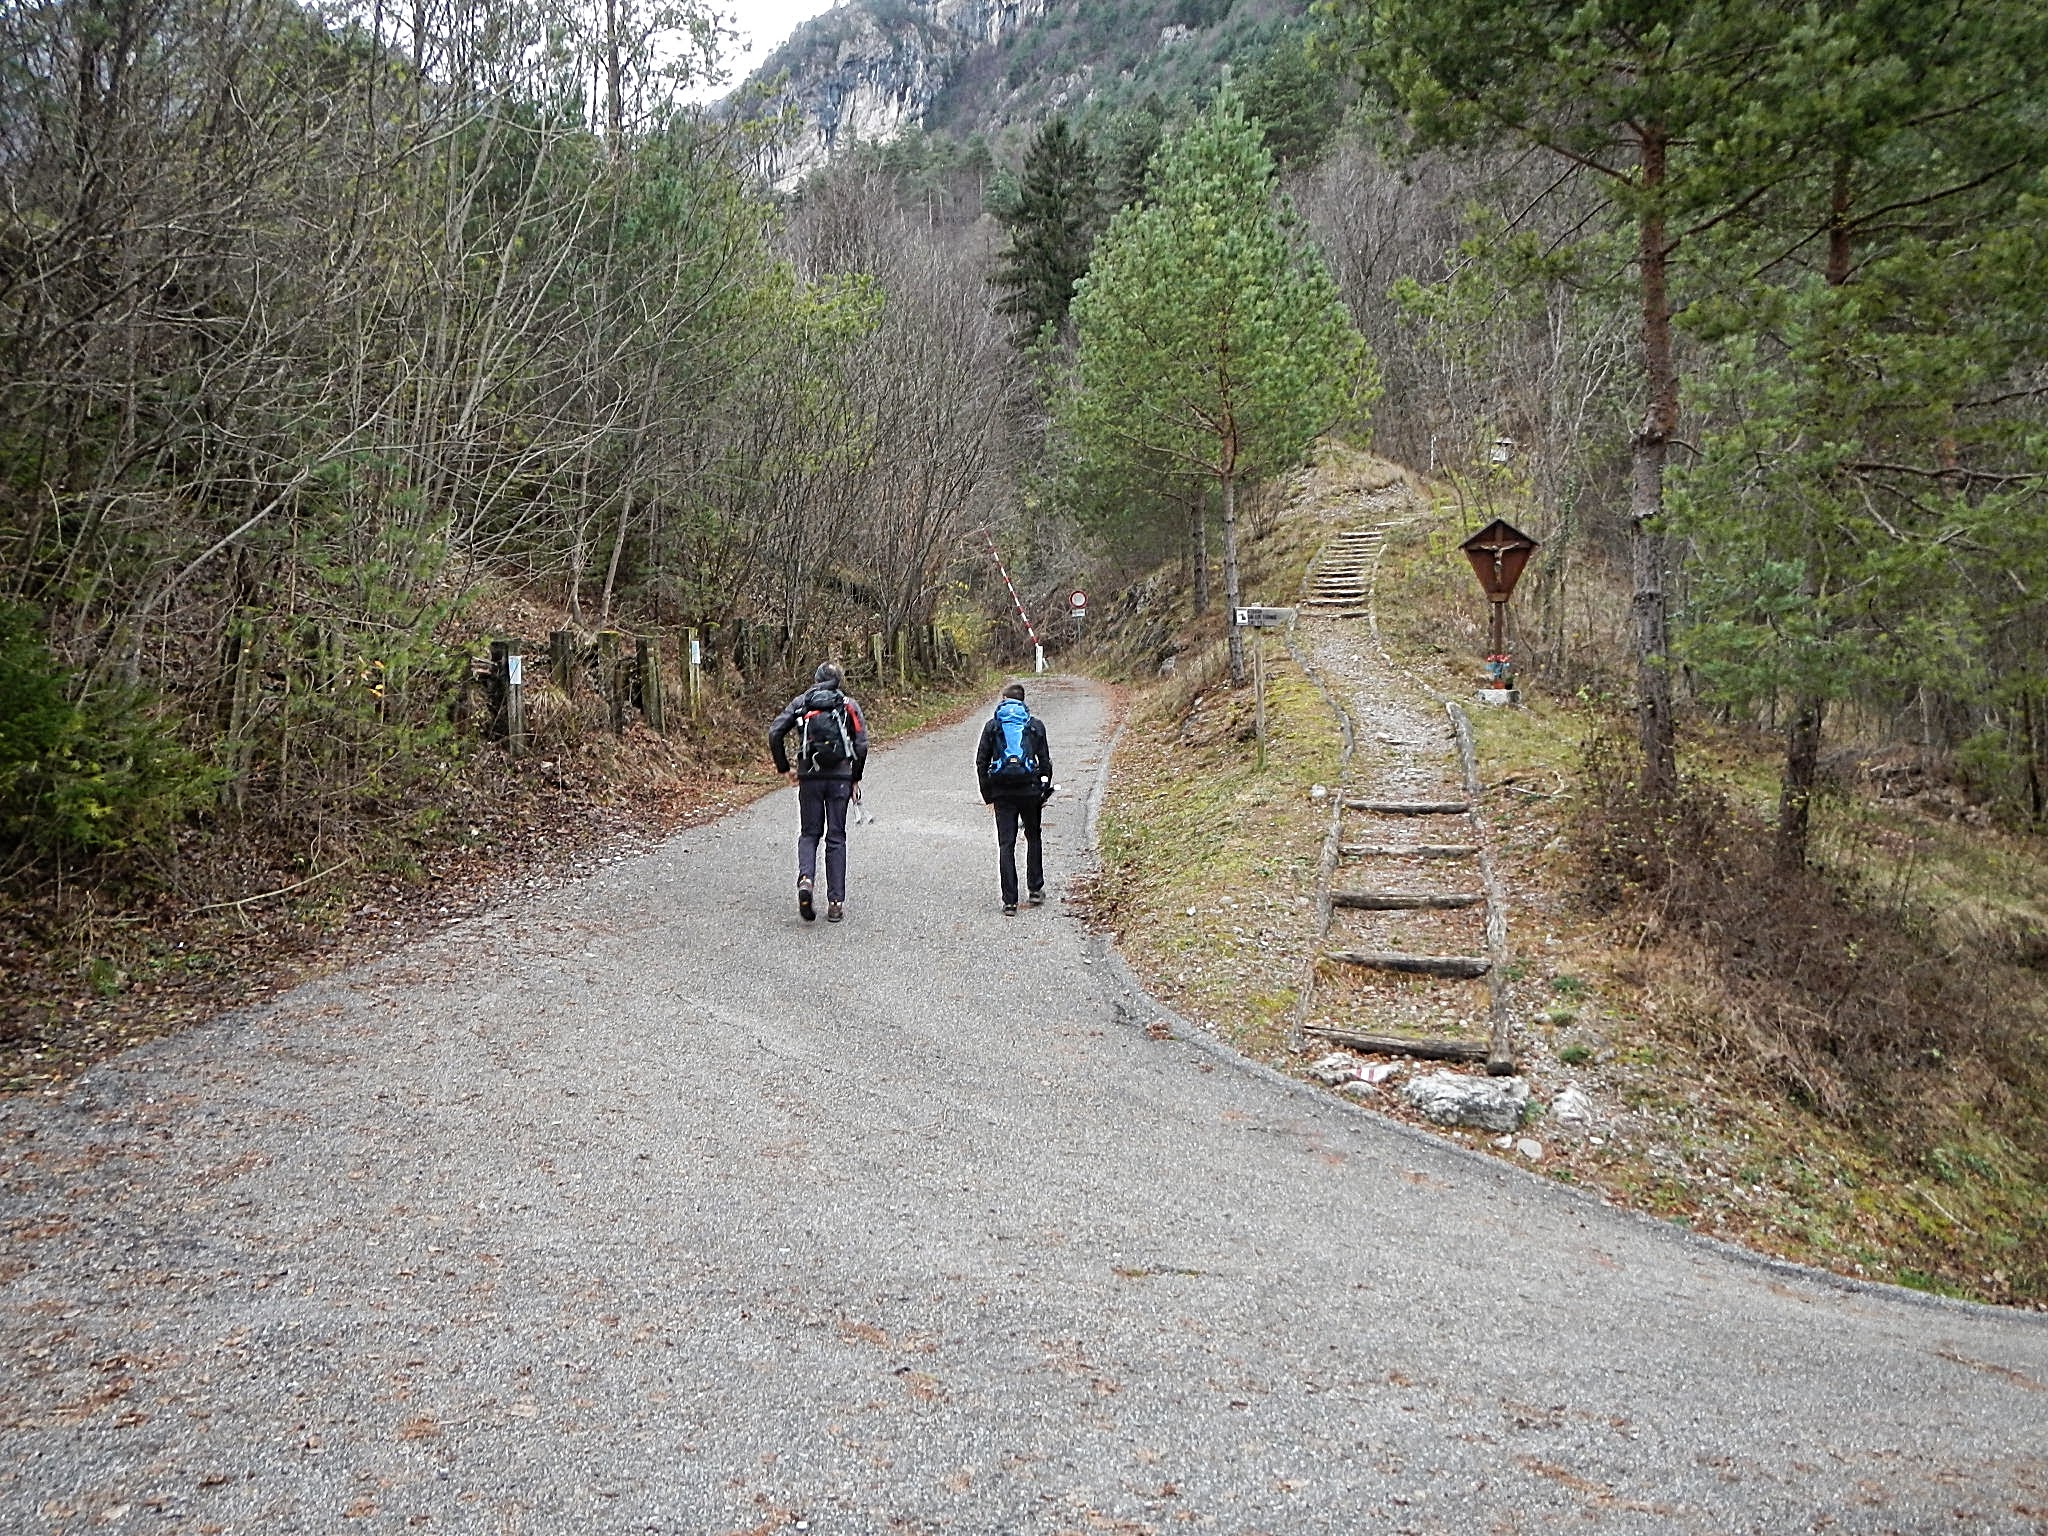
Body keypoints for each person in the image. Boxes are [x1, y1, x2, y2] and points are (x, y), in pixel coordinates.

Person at [768, 662, 868, 923]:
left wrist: (784, 768)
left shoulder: (802, 703)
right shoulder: (848, 705)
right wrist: (854, 777)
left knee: (809, 833)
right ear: (838, 680)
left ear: (815, 679)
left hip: (809, 777)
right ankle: (835, 903)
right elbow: (862, 744)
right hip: (840, 778)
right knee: (836, 836)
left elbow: (775, 732)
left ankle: (806, 880)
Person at [975, 681, 1053, 915]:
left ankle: (1010, 901)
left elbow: (981, 761)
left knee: (1006, 844)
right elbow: (1045, 761)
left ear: (1003, 700)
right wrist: (1044, 789)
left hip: (1002, 792)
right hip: (1029, 790)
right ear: (1023, 700)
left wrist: (987, 794)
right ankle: (1035, 889)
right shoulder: (1034, 725)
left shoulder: (992, 726)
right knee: (1033, 837)